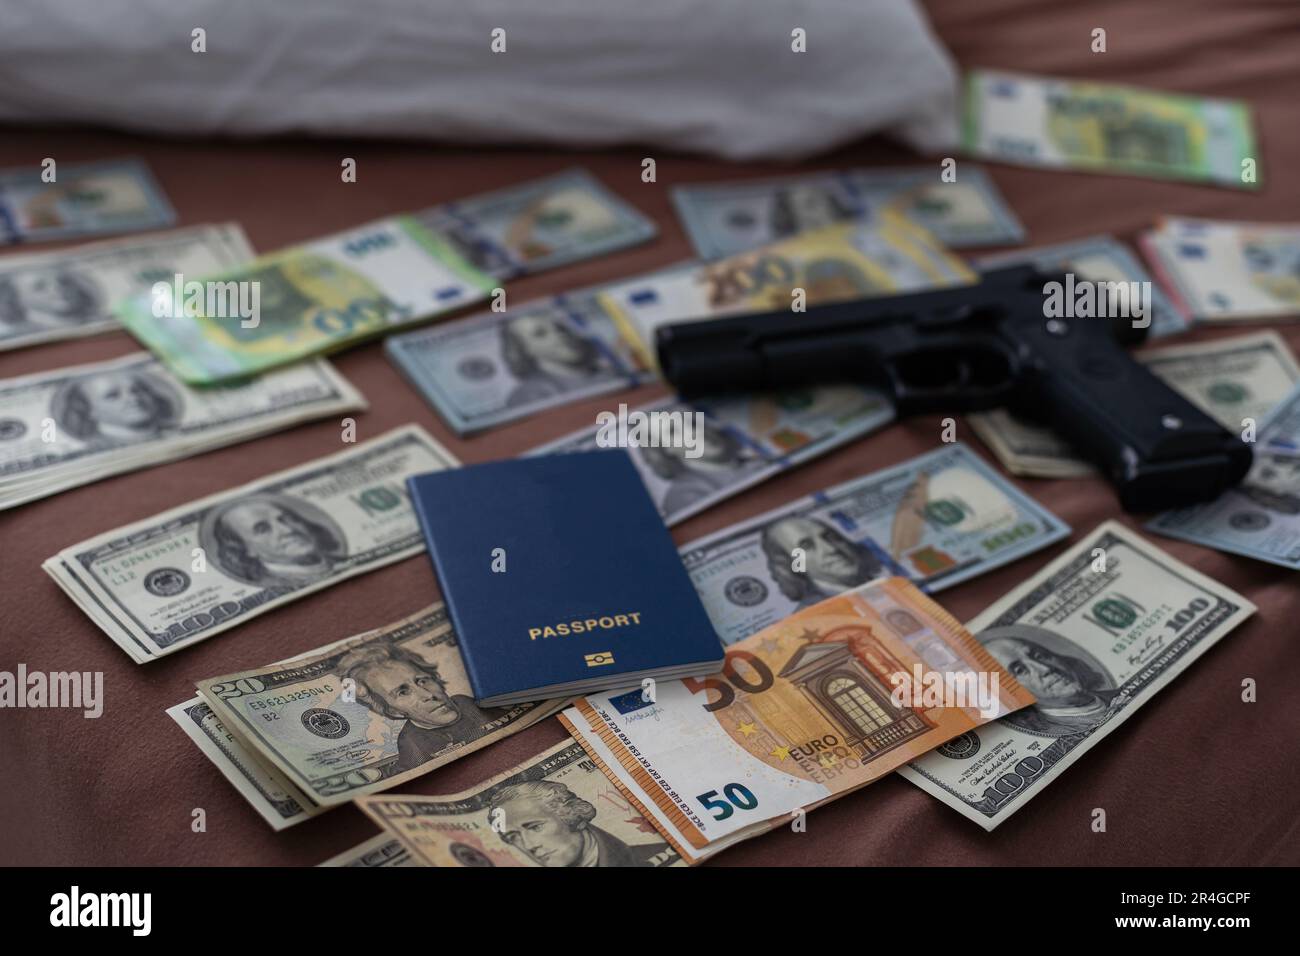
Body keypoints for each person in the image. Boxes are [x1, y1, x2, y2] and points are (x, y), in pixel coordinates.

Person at [336, 643, 492, 771]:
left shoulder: (468, 702)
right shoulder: (411, 749)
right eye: (403, 692)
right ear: (392, 710)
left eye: (422, 681)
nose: (428, 695)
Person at [488, 779, 669, 867]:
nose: (529, 845)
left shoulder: (654, 857)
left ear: (572, 816)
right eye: (513, 837)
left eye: (535, 827)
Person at [981, 627, 1124, 736]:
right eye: (1020, 670)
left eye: (1038, 655)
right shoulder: (1051, 731)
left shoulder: (1123, 694)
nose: (1044, 668)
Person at [209, 495, 345, 587]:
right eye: (262, 529)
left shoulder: (343, 561)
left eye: (284, 519)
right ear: (246, 549)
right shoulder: (268, 583)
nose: (287, 530)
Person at [760, 515, 886, 607]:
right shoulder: (811, 619)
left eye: (830, 537)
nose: (830, 549)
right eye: (806, 546)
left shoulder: (889, 580)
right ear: (791, 564)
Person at [500, 310, 613, 405]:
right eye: (540, 333)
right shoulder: (529, 395)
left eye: (560, 327)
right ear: (524, 349)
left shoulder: (608, 370)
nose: (559, 335)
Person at [50, 369, 180, 442]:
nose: (134, 398)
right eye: (112, 396)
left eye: (136, 390)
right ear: (89, 410)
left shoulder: (172, 429)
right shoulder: (95, 443)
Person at [0, 268, 101, 332]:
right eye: (40, 286)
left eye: (62, 282)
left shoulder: (95, 319)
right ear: (16, 300)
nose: (57, 288)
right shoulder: (20, 331)